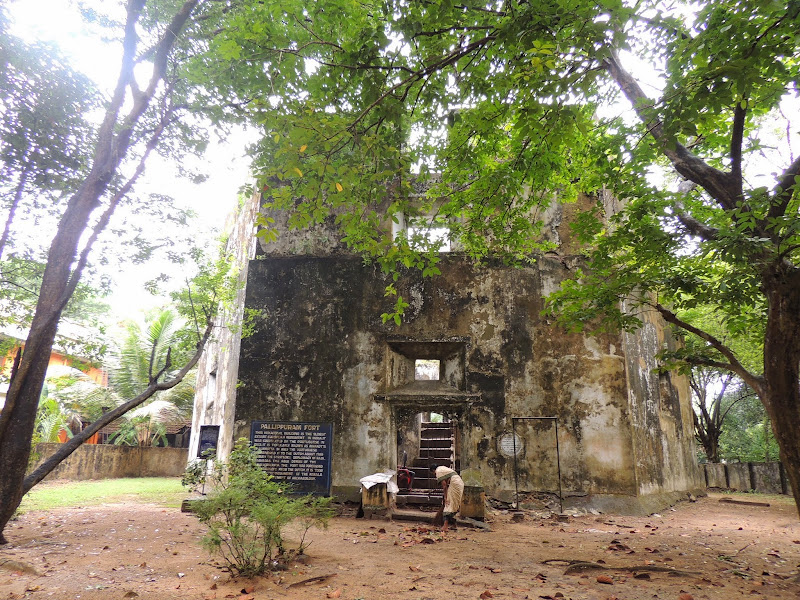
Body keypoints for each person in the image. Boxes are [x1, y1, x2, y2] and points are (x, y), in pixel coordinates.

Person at [434, 465, 463, 532]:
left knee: (448, 504)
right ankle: (454, 525)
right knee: (454, 505)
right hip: (459, 483)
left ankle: (445, 526)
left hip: (455, 484)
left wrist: (445, 497)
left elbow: (444, 486)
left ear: (433, 471)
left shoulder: (438, 471)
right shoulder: (443, 469)